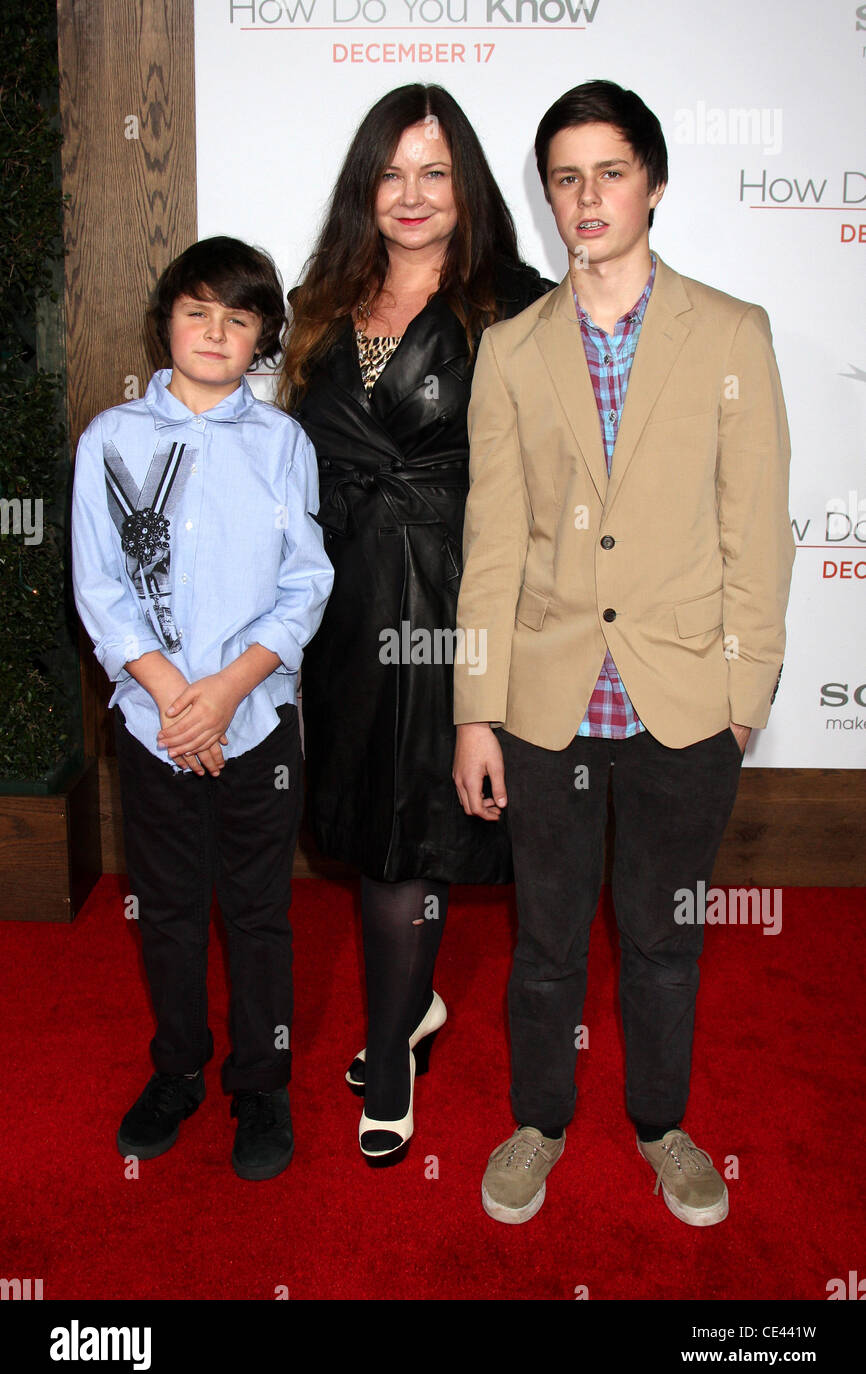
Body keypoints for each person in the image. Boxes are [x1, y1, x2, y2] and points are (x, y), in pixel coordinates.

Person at [453, 81, 794, 1225]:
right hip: (546, 703)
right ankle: (537, 1120)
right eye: (564, 176)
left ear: (651, 181)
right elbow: (491, 543)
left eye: (608, 171)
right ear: (544, 195)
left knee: (661, 938)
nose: (585, 196)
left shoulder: (731, 332)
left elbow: (756, 534)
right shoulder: (508, 351)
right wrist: (472, 710)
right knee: (544, 941)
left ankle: (661, 1124)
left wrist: (741, 697)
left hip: (683, 700)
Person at [277, 84, 552, 1166]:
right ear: (365, 186)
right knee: (372, 819)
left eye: (433, 172)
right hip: (343, 609)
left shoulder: (514, 304)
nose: (410, 194)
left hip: (452, 604)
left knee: (415, 828)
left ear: (466, 184)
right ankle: (415, 1007)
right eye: (389, 172)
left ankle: (388, 1052)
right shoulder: (318, 304)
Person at [72, 236, 333, 1181]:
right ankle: (178, 1068)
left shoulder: (283, 443)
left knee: (260, 912)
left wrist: (224, 693)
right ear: (166, 320)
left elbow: (306, 583)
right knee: (172, 911)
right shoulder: (110, 440)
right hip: (152, 726)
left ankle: (261, 1082)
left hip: (257, 720)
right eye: (198, 311)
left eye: (238, 317)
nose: (215, 332)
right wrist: (175, 697)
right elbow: (98, 587)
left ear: (261, 336)